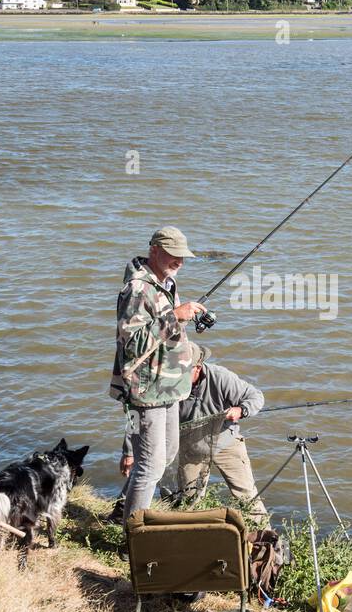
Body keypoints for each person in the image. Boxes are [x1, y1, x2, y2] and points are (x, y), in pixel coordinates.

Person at [109, 226, 206, 523]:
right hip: (146, 389)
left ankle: (126, 515)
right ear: (154, 250)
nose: (179, 261)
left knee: (165, 456)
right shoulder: (137, 289)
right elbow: (132, 343)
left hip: (169, 385)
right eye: (173, 255)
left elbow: (161, 331)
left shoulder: (166, 282)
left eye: (183, 256)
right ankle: (133, 536)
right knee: (149, 466)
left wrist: (181, 317)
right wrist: (175, 316)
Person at [121, 344, 270, 528]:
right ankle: (193, 536)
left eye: (182, 372)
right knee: (188, 501)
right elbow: (137, 417)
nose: (176, 377)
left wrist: (241, 409)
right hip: (190, 448)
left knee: (247, 495)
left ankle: (267, 538)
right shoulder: (164, 384)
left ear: (197, 368)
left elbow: (256, 396)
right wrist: (129, 452)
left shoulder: (221, 377)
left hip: (226, 441)